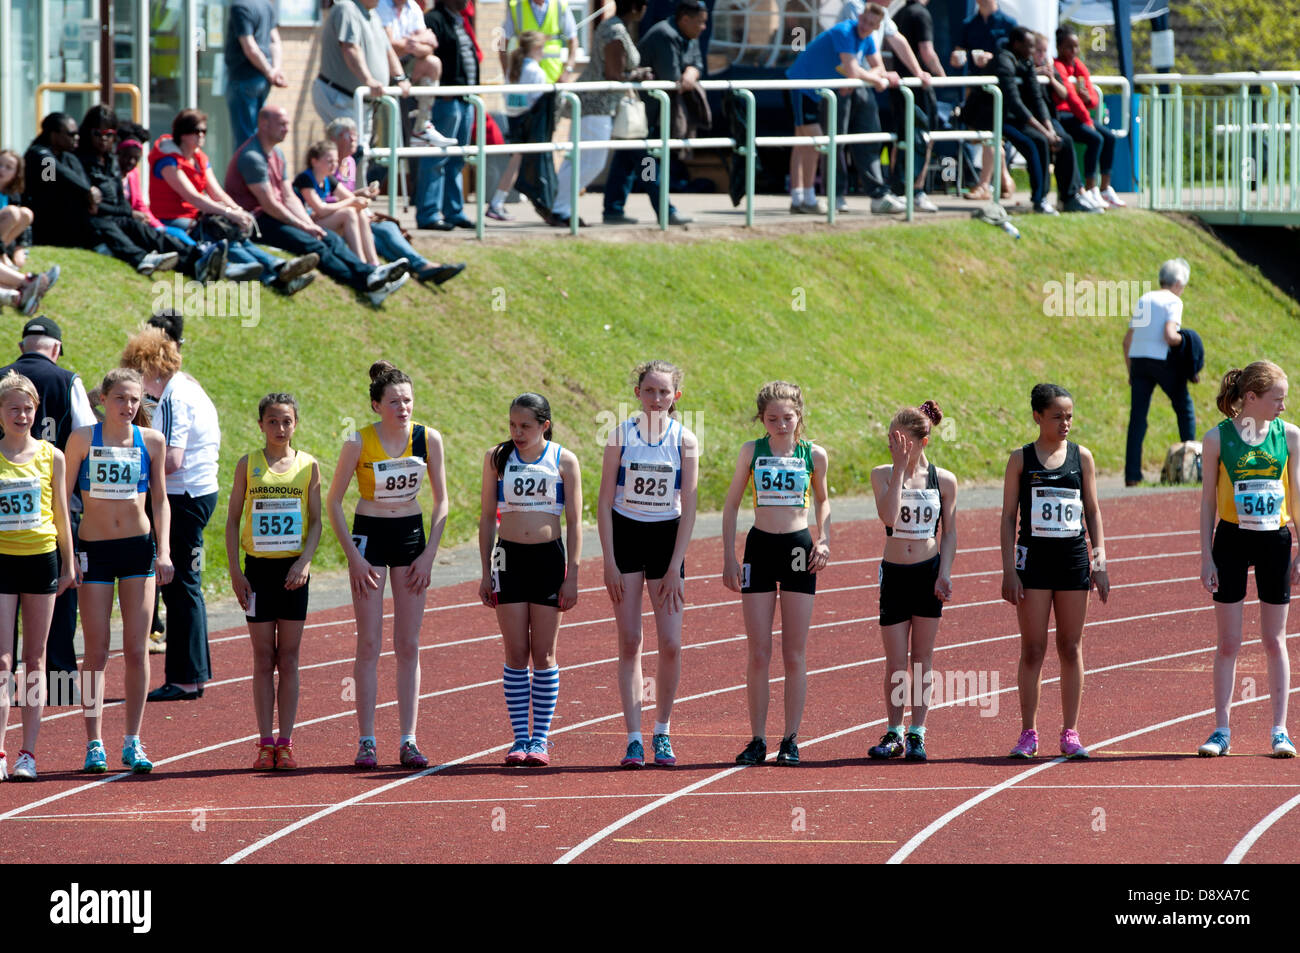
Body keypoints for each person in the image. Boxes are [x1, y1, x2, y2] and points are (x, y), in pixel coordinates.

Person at [327, 361, 448, 769]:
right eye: (394, 401)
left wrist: (430, 552)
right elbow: (333, 503)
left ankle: (409, 739)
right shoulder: (357, 442)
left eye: (408, 400)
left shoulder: (428, 439)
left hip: (411, 536)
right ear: (377, 405)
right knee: (369, 642)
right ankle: (366, 740)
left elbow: (443, 500)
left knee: (409, 643)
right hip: (369, 537)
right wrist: (355, 558)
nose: (404, 408)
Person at [64, 367, 172, 773]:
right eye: (121, 399)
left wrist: (163, 552)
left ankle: (132, 740)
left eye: (136, 399)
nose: (129, 406)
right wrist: (69, 551)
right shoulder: (81, 439)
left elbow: (160, 501)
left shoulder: (152, 441)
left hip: (137, 551)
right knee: (95, 651)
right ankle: (94, 742)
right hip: (94, 550)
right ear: (103, 400)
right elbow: (63, 496)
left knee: (136, 648)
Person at [722, 382, 831, 766]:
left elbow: (823, 500)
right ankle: (756, 739)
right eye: (772, 419)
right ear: (761, 419)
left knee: (794, 652)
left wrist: (825, 540)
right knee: (759, 651)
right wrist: (728, 557)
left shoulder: (813, 454)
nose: (781, 425)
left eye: (788, 417)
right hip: (760, 549)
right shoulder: (752, 451)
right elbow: (731, 503)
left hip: (800, 549)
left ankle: (791, 739)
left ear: (799, 414)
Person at [999, 383, 1109, 760]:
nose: (1066, 423)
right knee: (1033, 649)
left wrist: (1100, 563)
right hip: (1033, 563)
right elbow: (1007, 518)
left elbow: (1092, 512)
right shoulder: (1021, 459)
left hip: (1073, 560)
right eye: (1058, 416)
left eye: (1070, 416)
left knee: (1070, 646)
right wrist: (1008, 570)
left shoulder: (1083, 458)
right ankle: (1028, 733)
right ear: (1037, 417)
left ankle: (1070, 731)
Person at [597, 361, 698, 768]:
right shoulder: (620, 436)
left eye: (664, 392)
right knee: (630, 641)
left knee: (671, 644)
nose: (657, 399)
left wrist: (676, 565)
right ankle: (634, 737)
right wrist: (608, 560)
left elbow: (689, 507)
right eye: (650, 391)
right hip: (625, 535)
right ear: (637, 393)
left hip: (665, 539)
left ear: (677, 397)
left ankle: (663, 730)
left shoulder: (685, 439)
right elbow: (604, 501)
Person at [1197, 362, 1298, 759]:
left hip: (1275, 539)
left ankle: (1280, 730)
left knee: (1275, 640)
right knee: (1229, 641)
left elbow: (1298, 497)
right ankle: (1221, 729)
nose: (1284, 407)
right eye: (1278, 399)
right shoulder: (1216, 439)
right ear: (1251, 398)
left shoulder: (1290, 436)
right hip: (1232, 541)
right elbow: (1206, 501)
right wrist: (1206, 555)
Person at [478, 393, 581, 766]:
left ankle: (541, 739)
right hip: (508, 558)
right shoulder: (497, 458)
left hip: (549, 558)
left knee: (544, 653)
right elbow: (488, 516)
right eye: (512, 425)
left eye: (525, 426)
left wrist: (573, 576)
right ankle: (520, 738)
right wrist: (486, 570)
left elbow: (573, 521)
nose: (517, 433)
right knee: (516, 652)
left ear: (544, 426)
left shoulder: (563, 460)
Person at [119, 329, 220, 704]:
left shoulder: (176, 395)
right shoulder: (182, 388)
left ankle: (186, 677)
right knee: (182, 586)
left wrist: (133, 460)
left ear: (147, 366)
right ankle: (190, 674)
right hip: (194, 492)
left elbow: (173, 459)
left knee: (179, 586)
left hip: (184, 496)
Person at [225, 106, 409, 306]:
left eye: (287, 124)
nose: (287, 128)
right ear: (264, 124)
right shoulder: (252, 157)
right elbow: (269, 205)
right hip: (257, 223)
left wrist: (309, 224)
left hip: (276, 216)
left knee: (329, 238)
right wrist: (303, 226)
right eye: (282, 124)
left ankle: (372, 273)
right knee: (313, 245)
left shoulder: (276, 153)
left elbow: (288, 196)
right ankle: (367, 283)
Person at [225, 393, 322, 770]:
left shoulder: (308, 466)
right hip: (258, 572)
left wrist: (306, 561)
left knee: (290, 658)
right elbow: (232, 520)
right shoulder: (247, 465)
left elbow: (315, 521)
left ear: (296, 424)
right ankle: (265, 743)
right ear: (261, 424)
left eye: (286, 421)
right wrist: (235, 571)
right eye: (272, 421)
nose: (280, 429)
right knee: (263, 658)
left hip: (294, 574)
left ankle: (287, 741)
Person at [0, 318, 97, 689]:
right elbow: (88, 435)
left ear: (23, 344)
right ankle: (57, 679)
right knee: (55, 602)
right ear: (55, 348)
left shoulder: (0, 379)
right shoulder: (68, 379)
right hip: (54, 503)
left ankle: (5, 685)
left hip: (8, 518)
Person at [867, 401, 956, 762]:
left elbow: (949, 533)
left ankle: (917, 732)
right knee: (895, 661)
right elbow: (888, 516)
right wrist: (901, 469)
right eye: (891, 440)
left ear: (923, 441)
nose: (894, 447)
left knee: (922, 657)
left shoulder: (944, 480)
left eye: (902, 441)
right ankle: (893, 730)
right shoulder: (882, 474)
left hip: (927, 572)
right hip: (895, 573)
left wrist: (945, 571)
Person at [149, 109, 319, 294]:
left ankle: (278, 269)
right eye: (195, 131)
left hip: (198, 214)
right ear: (182, 133)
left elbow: (216, 192)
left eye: (204, 131)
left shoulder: (199, 158)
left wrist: (238, 211)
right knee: (221, 235)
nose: (201, 136)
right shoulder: (167, 161)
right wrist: (228, 213)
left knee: (235, 236)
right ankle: (277, 273)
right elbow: (193, 197)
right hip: (174, 218)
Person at [0, 371, 76, 781]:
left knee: (34, 659)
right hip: (2, 560)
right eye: (14, 408)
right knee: (1, 660)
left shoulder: (52, 455)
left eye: (28, 408)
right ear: (0, 413)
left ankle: (27, 753)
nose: (22, 414)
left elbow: (62, 516)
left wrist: (69, 563)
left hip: (42, 559)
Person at [74, 105, 228, 280]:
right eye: (97, 133)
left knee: (150, 233)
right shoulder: (69, 159)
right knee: (155, 231)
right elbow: (86, 203)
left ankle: (200, 261)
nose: (103, 139)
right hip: (101, 221)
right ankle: (146, 259)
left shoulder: (111, 162)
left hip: (121, 217)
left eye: (108, 134)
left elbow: (127, 202)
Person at [601, 0, 708, 227]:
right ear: (685, 20)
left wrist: (692, 71)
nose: (703, 28)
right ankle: (665, 210)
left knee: (625, 162)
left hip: (649, 114)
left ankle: (613, 208)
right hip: (642, 113)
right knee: (647, 163)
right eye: (700, 23)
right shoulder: (664, 34)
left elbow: (697, 63)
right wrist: (687, 73)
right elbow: (671, 77)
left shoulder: (687, 35)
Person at [325, 117, 465, 285]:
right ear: (333, 139)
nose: (354, 139)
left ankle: (421, 266)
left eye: (354, 134)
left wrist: (361, 193)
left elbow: (345, 194)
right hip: (342, 219)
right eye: (347, 135)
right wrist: (355, 201)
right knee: (379, 237)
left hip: (356, 214)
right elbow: (326, 200)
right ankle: (417, 267)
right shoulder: (327, 165)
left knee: (388, 227)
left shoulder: (349, 162)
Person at [551, 0, 652, 225]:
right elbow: (613, 73)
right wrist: (639, 75)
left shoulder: (612, 26)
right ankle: (559, 207)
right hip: (596, 104)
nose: (645, 8)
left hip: (592, 102)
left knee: (576, 160)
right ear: (635, 7)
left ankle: (559, 206)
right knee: (591, 162)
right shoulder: (615, 30)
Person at [785, 5, 892, 216]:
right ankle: (807, 198)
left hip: (814, 91)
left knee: (802, 144)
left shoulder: (867, 38)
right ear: (859, 17)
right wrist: (874, 79)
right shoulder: (844, 31)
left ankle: (799, 198)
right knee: (816, 142)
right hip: (801, 86)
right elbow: (854, 70)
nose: (866, 26)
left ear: (877, 27)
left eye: (871, 24)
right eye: (864, 21)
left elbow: (878, 66)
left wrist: (866, 76)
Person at [994, 27, 1097, 215]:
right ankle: (1040, 199)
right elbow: (1015, 103)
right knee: (1038, 143)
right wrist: (1046, 133)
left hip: (1031, 119)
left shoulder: (1027, 64)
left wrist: (1049, 130)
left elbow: (1038, 100)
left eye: (1039, 49)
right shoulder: (1005, 60)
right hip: (1006, 118)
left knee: (1064, 140)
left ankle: (1070, 197)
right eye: (1032, 47)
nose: (1035, 52)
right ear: (1018, 45)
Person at [1124, 258, 1196, 486]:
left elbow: (1127, 341)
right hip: (1161, 360)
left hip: (1138, 361)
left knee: (1137, 418)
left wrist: (1130, 372)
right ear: (1178, 282)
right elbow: (1169, 336)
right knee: (1184, 408)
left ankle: (1132, 475)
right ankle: (1191, 466)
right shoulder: (1173, 301)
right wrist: (1188, 339)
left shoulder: (1144, 299)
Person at [314, 0, 414, 148]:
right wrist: (369, 80)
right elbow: (350, 48)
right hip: (339, 97)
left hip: (363, 102)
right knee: (349, 149)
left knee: (361, 154)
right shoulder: (346, 8)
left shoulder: (372, 13)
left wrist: (401, 78)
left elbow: (388, 51)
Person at [416, 0, 478, 231]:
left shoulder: (461, 20)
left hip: (465, 100)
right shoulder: (434, 19)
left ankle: (454, 211)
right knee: (436, 158)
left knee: (457, 158)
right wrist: (443, 93)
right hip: (447, 100)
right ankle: (429, 213)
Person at [949, 0, 1017, 201]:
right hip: (976, 88)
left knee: (990, 136)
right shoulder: (969, 24)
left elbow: (1015, 56)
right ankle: (1005, 178)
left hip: (998, 88)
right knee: (984, 137)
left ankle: (984, 185)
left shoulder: (1009, 23)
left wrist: (994, 58)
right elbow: (960, 50)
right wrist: (956, 57)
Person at [884, 0, 946, 211]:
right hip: (918, 86)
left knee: (901, 138)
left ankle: (897, 190)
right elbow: (926, 50)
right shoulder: (921, 14)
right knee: (924, 138)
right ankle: (917, 191)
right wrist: (941, 76)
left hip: (900, 85)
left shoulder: (899, 13)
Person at [1054, 25, 1124, 208]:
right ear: (1060, 47)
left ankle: (1105, 189)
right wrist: (1086, 119)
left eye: (1076, 47)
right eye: (1069, 47)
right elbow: (1070, 98)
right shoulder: (1058, 67)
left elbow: (1091, 97)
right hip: (1064, 115)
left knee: (1109, 137)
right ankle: (1090, 188)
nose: (1073, 51)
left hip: (1078, 115)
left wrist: (1088, 99)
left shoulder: (1078, 66)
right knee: (1095, 139)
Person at [487, 31, 548, 222]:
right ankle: (498, 202)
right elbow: (538, 99)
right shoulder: (534, 71)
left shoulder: (515, 67)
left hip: (514, 117)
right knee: (521, 162)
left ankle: (499, 201)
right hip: (528, 121)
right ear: (536, 48)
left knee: (517, 162)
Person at [378, 0, 455, 147]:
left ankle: (421, 127)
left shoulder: (413, 7)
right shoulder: (381, 4)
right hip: (383, 70)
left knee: (433, 63)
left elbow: (430, 48)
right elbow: (388, 47)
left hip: (407, 66)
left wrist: (408, 44)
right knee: (387, 141)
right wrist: (418, 40)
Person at [225, 0, 288, 149]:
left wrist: (270, 72)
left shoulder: (240, 6)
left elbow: (250, 46)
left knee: (245, 139)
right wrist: (274, 70)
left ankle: (249, 172)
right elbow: (275, 41)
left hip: (244, 78)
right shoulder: (266, 5)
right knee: (260, 135)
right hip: (261, 80)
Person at [501, 0, 578, 83]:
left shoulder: (560, 5)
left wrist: (567, 70)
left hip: (553, 78)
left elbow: (573, 41)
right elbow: (502, 43)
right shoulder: (517, 6)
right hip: (525, 80)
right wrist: (508, 74)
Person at [0, 148, 35, 270]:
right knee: (12, 212)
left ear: (16, 174)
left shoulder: (13, 195)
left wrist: (20, 247)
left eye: (8, 167)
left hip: (6, 240)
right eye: (0, 165)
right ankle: (1, 254)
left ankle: (3, 250)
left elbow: (24, 228)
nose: (2, 169)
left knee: (26, 213)